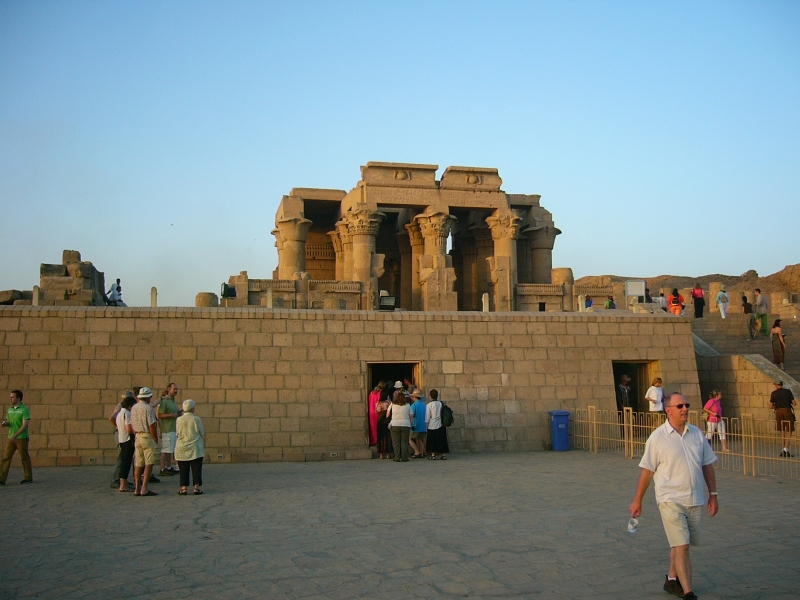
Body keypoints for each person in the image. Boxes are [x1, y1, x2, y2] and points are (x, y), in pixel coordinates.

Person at [629, 393, 718, 600]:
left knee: (680, 542)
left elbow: (707, 465)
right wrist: (637, 500)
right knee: (682, 545)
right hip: (669, 499)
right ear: (668, 410)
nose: (685, 409)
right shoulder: (657, 438)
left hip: (694, 498)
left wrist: (713, 495)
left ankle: (671, 579)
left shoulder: (696, 434)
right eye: (680, 406)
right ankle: (688, 592)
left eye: (686, 405)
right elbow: (647, 471)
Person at [0, 390, 33, 485]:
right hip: (11, 437)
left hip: (21, 438)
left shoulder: (24, 409)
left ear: (18, 398)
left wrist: (15, 436)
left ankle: (28, 477)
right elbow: (9, 422)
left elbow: (24, 425)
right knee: (6, 457)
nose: (10, 399)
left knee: (24, 457)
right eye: (10, 397)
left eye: (13, 397)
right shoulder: (10, 409)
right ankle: (1, 479)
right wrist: (5, 423)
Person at [131, 387, 159, 496]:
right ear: (147, 397)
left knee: (138, 463)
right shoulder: (148, 408)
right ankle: (144, 488)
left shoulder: (134, 407)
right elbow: (152, 425)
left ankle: (137, 488)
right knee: (149, 463)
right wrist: (155, 438)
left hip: (138, 436)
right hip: (147, 436)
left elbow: (132, 423)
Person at [175, 399, 205, 495]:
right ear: (192, 409)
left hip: (182, 446)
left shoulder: (179, 419)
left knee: (183, 468)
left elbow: (177, 432)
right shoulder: (196, 419)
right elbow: (201, 432)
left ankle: (183, 488)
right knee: (196, 468)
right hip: (195, 446)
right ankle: (196, 488)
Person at [109, 390, 136, 489]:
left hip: (122, 436)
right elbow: (112, 418)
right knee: (123, 460)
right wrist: (120, 428)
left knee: (124, 460)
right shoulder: (123, 410)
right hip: (125, 437)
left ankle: (122, 481)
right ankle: (118, 480)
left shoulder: (122, 412)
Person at [157, 383, 182, 476]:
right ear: (168, 389)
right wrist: (171, 415)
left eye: (176, 389)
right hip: (167, 429)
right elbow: (159, 415)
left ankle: (168, 467)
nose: (176, 391)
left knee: (170, 450)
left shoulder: (173, 401)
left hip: (173, 428)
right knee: (165, 449)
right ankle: (162, 469)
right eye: (174, 389)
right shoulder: (164, 401)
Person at [115, 395, 137, 492]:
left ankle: (123, 483)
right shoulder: (127, 414)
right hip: (127, 440)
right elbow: (128, 429)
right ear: (129, 406)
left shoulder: (120, 413)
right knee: (126, 463)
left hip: (122, 439)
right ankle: (123, 485)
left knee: (124, 462)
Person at [769, 381, 796, 458]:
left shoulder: (774, 393)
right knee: (789, 430)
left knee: (782, 431)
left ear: (776, 385)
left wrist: (777, 406)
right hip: (787, 411)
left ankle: (783, 449)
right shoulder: (788, 391)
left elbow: (771, 406)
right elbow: (794, 403)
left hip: (779, 412)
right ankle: (786, 449)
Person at [386, 389, 412, 462]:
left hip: (395, 424)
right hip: (406, 424)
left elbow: (387, 414)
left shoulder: (392, 404)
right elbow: (411, 415)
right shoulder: (407, 405)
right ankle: (404, 457)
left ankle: (397, 457)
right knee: (404, 441)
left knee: (396, 442)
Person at [425, 389, 449, 460]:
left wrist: (427, 425)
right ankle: (443, 454)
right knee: (442, 440)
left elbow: (427, 416)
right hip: (441, 424)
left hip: (432, 424)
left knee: (432, 441)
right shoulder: (441, 404)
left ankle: (433, 455)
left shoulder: (429, 405)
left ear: (430, 396)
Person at [409, 389, 427, 458]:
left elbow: (411, 415)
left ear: (414, 397)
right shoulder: (424, 405)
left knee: (410, 439)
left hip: (416, 425)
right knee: (420, 439)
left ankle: (417, 451)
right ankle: (422, 453)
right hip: (423, 426)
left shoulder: (414, 405)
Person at [376, 391, 393, 459]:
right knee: (387, 436)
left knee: (380, 436)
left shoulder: (378, 403)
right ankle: (388, 454)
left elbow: (377, 411)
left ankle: (381, 454)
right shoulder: (388, 403)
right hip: (386, 419)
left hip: (380, 420)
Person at [368, 381, 385, 447]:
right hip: (377, 411)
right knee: (378, 427)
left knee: (372, 427)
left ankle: (373, 441)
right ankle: (378, 441)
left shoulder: (372, 393)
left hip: (371, 411)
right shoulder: (380, 393)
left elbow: (369, 401)